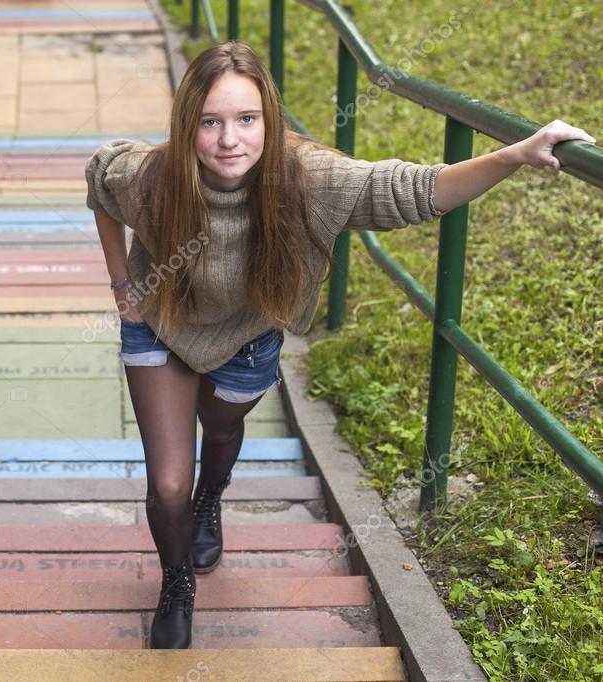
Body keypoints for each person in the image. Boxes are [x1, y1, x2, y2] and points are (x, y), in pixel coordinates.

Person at [84, 40, 594, 650]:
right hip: (161, 320)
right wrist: (122, 282)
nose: (229, 140)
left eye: (247, 120)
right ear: (186, 123)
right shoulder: (154, 174)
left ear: (269, 120)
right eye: (209, 122)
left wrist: (515, 153)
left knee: (219, 430)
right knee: (168, 482)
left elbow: (419, 191)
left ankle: (211, 498)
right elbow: (99, 181)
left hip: (248, 335)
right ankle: (175, 584)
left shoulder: (309, 178)